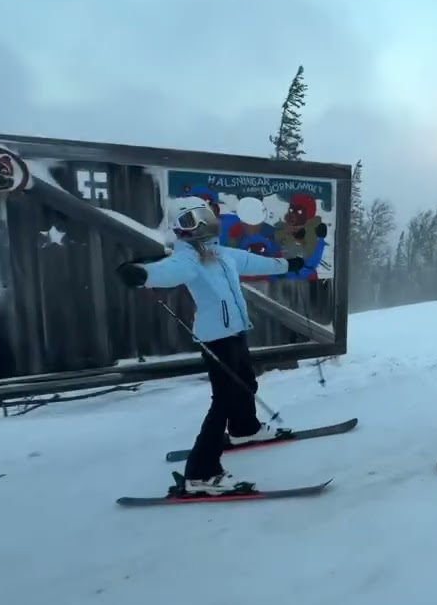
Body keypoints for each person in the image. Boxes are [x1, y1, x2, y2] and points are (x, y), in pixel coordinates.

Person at [115, 198, 309, 495]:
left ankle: (244, 429)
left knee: (246, 382)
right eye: (192, 219)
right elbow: (167, 271)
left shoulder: (221, 253)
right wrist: (143, 274)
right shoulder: (188, 259)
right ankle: (201, 473)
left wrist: (286, 264)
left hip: (236, 332)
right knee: (224, 401)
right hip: (216, 338)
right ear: (180, 228)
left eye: (204, 215)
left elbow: (253, 261)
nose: (203, 223)